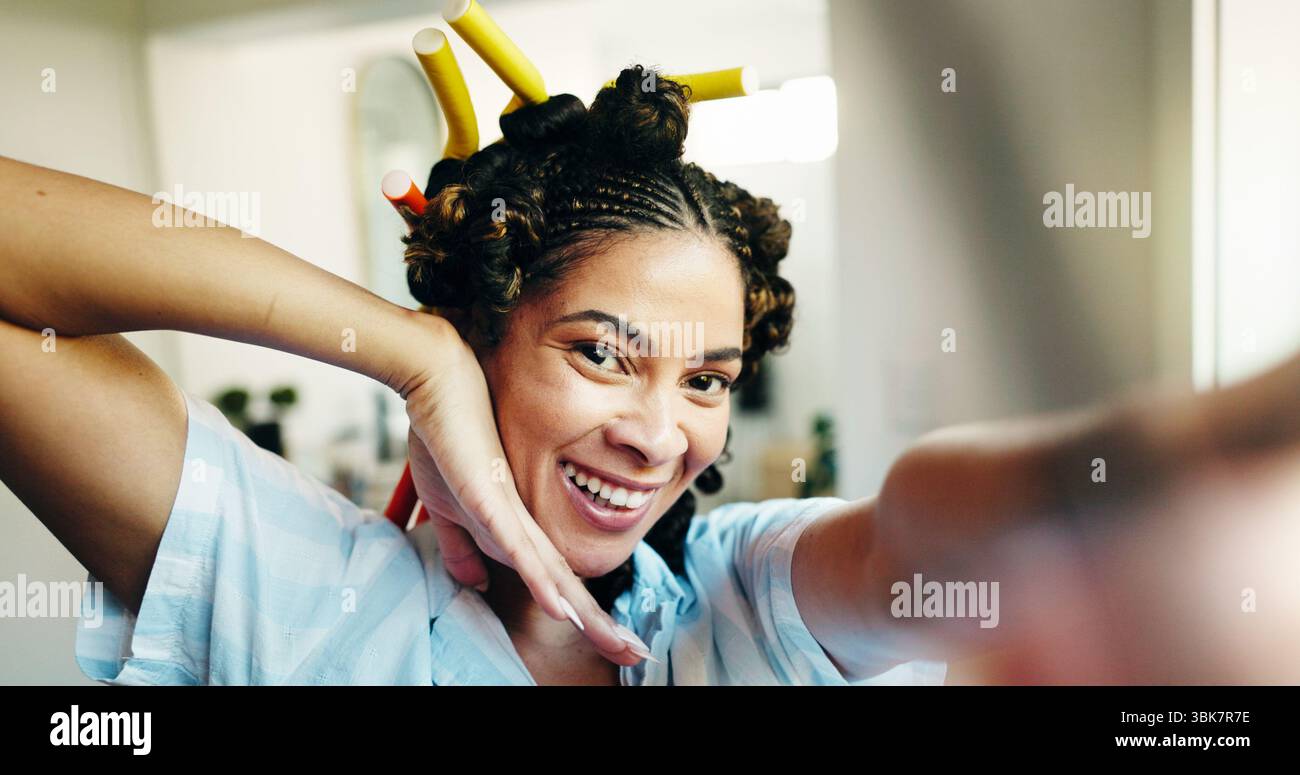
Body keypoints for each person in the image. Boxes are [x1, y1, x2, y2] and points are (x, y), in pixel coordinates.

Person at [2, 67, 1298, 686]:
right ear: (483, 337)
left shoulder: (740, 602)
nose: (656, 432)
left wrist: (1218, 435)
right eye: (601, 354)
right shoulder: (291, 586)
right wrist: (408, 357)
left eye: (707, 380)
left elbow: (924, 529)